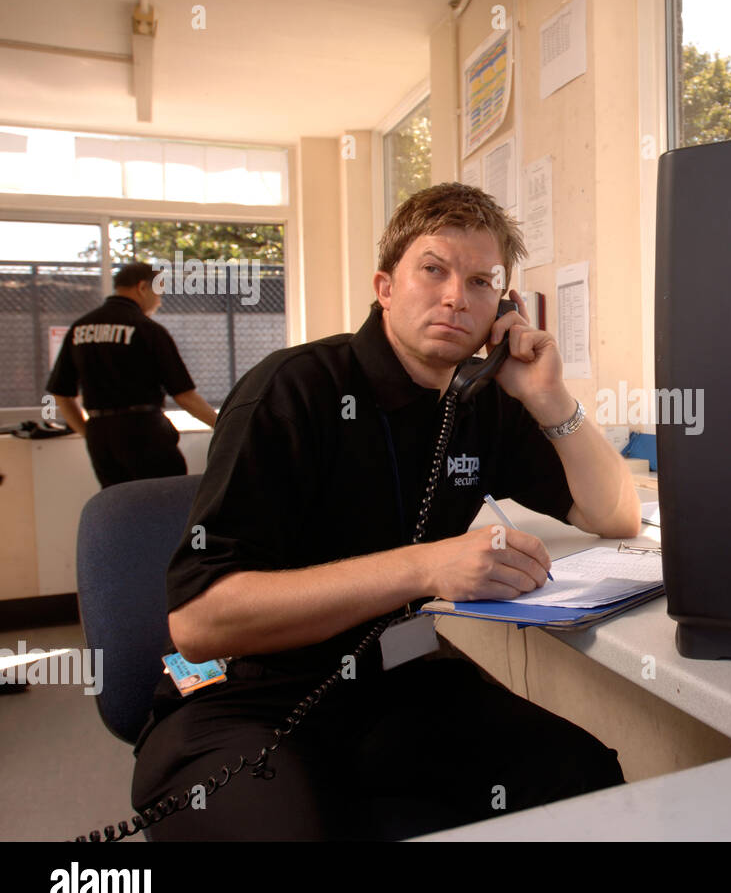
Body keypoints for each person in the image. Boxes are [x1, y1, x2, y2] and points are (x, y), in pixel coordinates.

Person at [130, 183, 643, 840]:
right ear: (385, 287)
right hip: (246, 699)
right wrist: (427, 567)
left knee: (580, 781)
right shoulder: (292, 391)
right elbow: (199, 622)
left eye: (482, 281)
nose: (458, 295)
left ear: (503, 306)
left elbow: (617, 513)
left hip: (397, 683)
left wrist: (549, 398)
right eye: (434, 270)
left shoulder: (481, 403)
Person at [46, 262, 219, 487]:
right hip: (144, 432)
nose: (160, 301)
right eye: (159, 292)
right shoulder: (148, 329)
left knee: (120, 507)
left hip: (101, 435)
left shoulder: (79, 328)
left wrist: (89, 433)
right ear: (142, 288)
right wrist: (223, 424)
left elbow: (61, 393)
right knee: (165, 503)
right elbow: (184, 395)